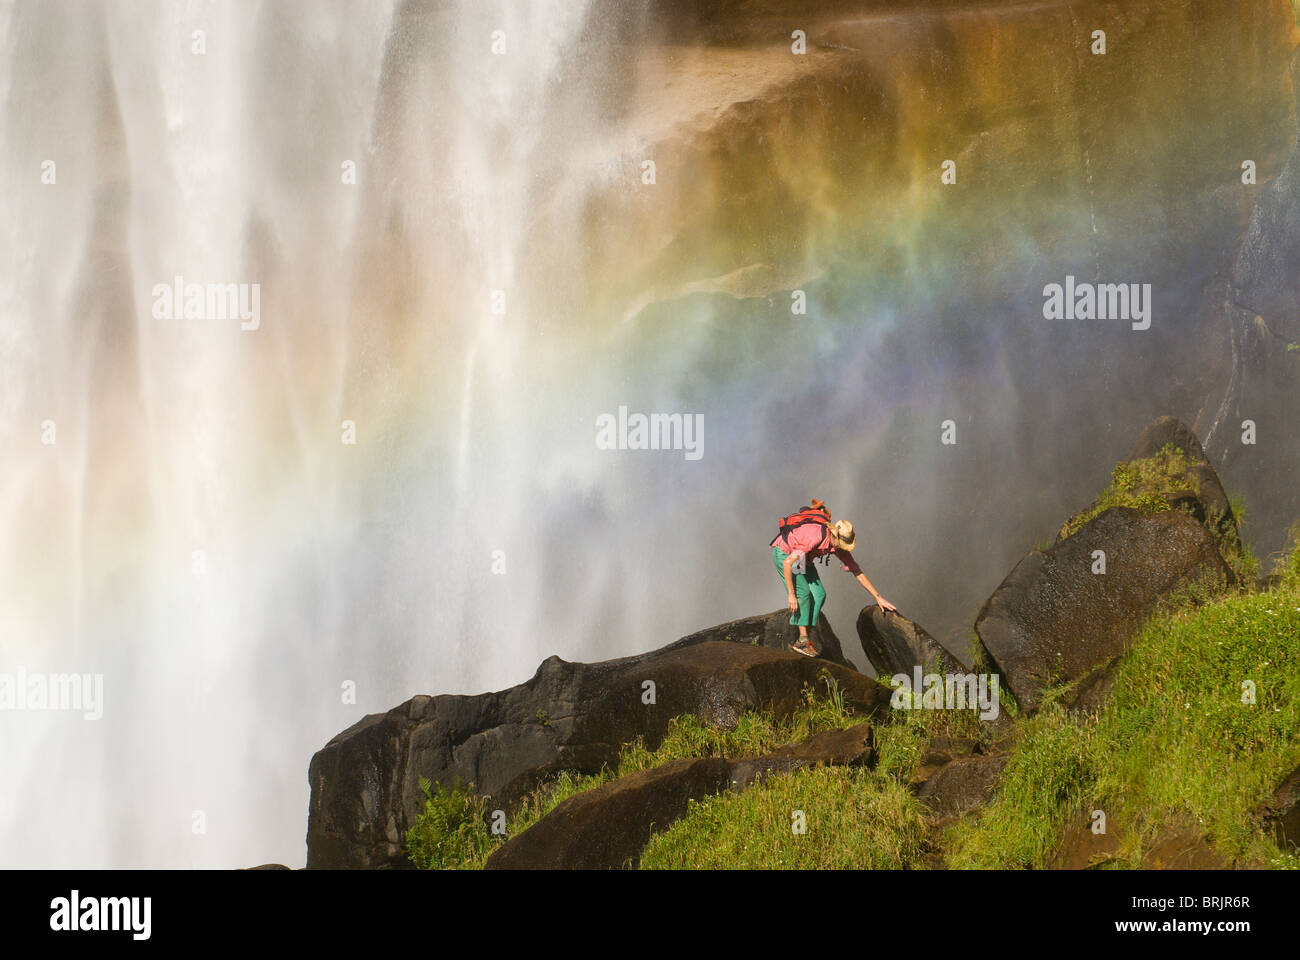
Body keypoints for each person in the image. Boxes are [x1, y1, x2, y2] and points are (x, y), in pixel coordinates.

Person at [771, 502, 896, 657]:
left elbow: (857, 572)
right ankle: (802, 640)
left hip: (803, 558)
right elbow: (788, 562)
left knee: (819, 594)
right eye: (843, 544)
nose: (844, 549)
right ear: (835, 536)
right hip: (785, 553)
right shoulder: (815, 537)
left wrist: (878, 597)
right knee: (803, 593)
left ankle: (805, 631)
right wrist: (791, 594)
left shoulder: (838, 547)